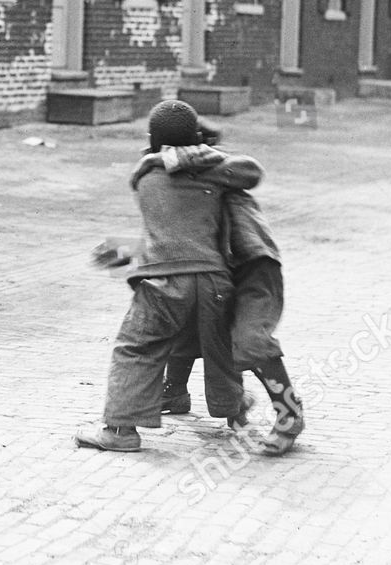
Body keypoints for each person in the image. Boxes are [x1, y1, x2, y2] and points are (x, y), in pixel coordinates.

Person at [75, 100, 263, 453]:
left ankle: (120, 432)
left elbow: (168, 236)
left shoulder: (147, 176)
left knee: (136, 348)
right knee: (217, 345)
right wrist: (201, 153)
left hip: (164, 283)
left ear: (152, 140)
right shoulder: (214, 172)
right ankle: (234, 417)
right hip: (214, 282)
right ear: (196, 139)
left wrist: (160, 158)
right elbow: (251, 171)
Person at [139, 137, 306, 455]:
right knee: (183, 318)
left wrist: (199, 158)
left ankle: (289, 413)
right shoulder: (167, 183)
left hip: (254, 269)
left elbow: (249, 170)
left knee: (249, 341)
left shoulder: (210, 171)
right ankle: (176, 391)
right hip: (217, 274)